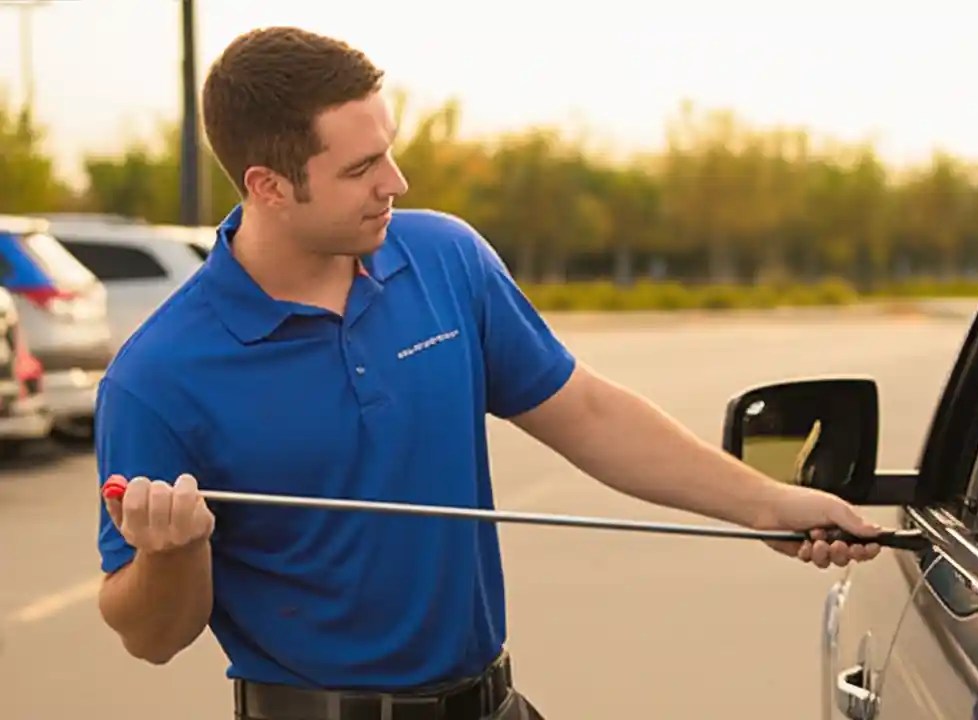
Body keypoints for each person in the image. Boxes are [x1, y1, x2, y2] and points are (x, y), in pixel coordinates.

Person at [93, 26, 884, 720]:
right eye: (362, 166)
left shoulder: (445, 258)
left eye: (390, 149)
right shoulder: (158, 377)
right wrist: (170, 552)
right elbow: (150, 637)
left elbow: (587, 413)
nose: (395, 182)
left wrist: (769, 504)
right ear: (267, 186)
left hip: (492, 701)